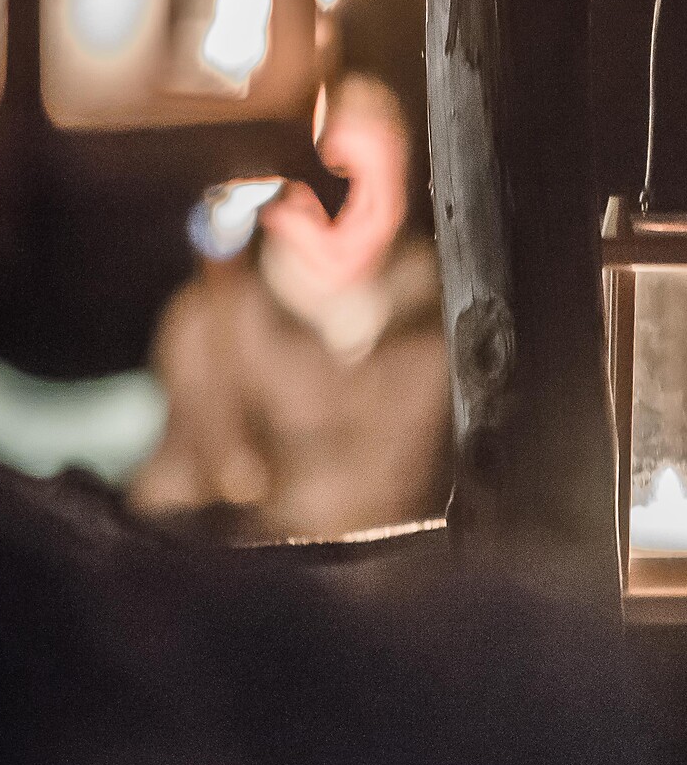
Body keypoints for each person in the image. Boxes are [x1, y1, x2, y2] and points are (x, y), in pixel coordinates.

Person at [127, 74, 451, 541]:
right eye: (332, 176)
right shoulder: (208, 328)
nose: (344, 206)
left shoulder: (448, 329)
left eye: (371, 186)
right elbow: (165, 502)